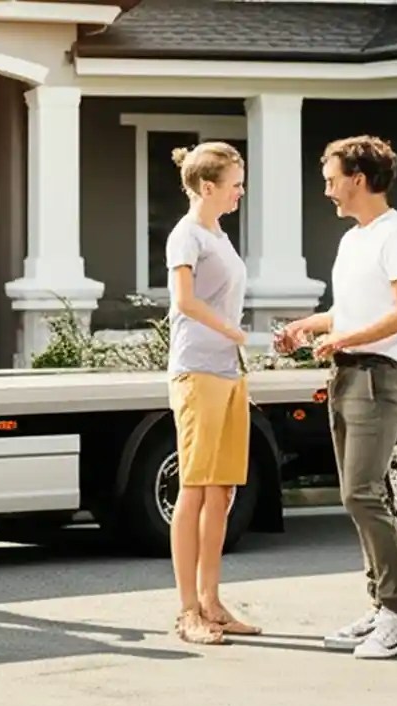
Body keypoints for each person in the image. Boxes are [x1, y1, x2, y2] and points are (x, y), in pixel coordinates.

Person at [274, 135, 397, 659]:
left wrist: (344, 339)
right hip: (347, 374)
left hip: (379, 378)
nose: (327, 190)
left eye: (332, 179)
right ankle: (381, 606)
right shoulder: (354, 240)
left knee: (364, 494)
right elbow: (350, 311)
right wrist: (306, 327)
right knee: (358, 496)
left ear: (359, 179)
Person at [164, 141, 261, 645]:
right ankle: (187, 612)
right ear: (208, 187)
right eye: (235, 184)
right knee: (195, 490)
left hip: (228, 372)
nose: (240, 192)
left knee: (222, 491)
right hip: (197, 370)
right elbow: (182, 301)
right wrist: (237, 331)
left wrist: (235, 343)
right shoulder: (186, 237)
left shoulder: (218, 234)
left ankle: (212, 601)